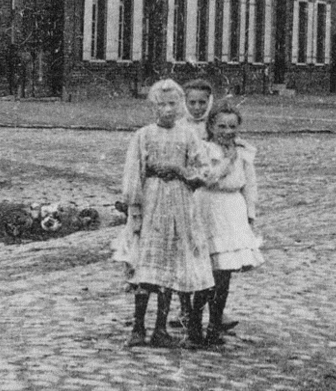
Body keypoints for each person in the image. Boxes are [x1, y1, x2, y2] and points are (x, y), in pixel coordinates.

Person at [113, 79, 214, 348]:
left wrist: (181, 171)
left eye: (172, 104)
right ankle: (138, 326)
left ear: (180, 106)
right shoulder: (143, 135)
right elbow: (133, 173)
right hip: (152, 201)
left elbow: (204, 169)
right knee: (147, 260)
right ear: (153, 107)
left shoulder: (188, 135)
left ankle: (160, 328)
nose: (168, 110)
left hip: (179, 201)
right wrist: (134, 207)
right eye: (161, 105)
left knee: (170, 262)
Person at [189, 103, 263, 347]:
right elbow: (207, 178)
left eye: (232, 127)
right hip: (208, 207)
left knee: (224, 272)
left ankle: (214, 326)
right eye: (222, 126)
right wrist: (227, 162)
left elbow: (249, 184)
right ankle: (194, 327)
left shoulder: (243, 151)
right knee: (206, 270)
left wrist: (249, 214)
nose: (227, 132)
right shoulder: (203, 149)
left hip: (232, 209)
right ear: (211, 126)